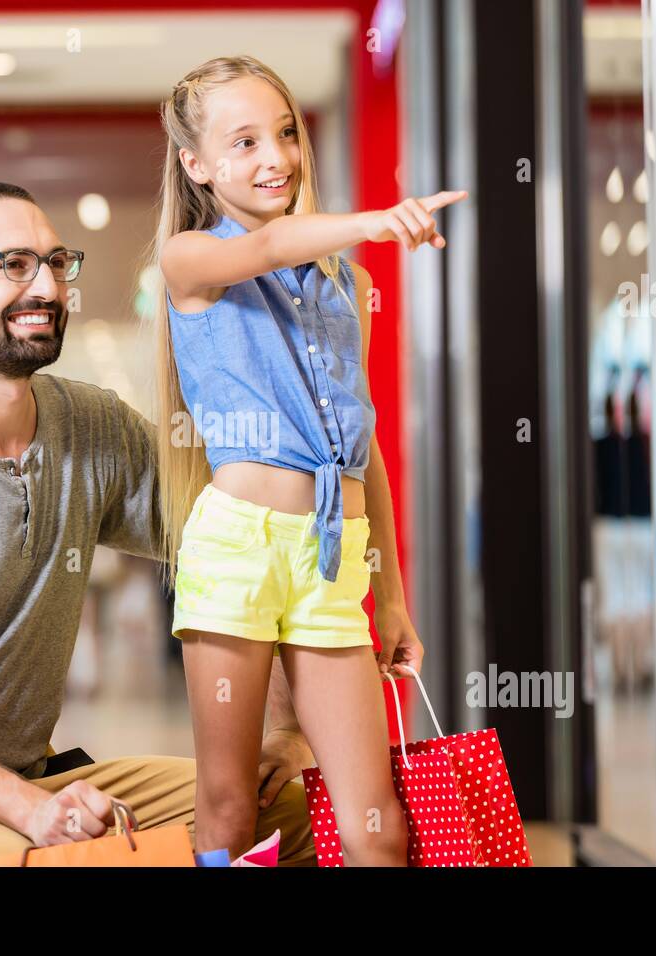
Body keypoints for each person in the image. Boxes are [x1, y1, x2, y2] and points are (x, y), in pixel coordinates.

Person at [0, 180, 318, 866]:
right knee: (30, 863)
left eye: (56, 263)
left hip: (32, 778)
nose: (47, 286)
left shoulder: (92, 425)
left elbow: (232, 547)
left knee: (295, 805)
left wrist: (287, 724)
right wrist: (33, 812)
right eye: (12, 265)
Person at [149, 56, 452, 864]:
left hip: (332, 561)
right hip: (237, 550)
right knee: (227, 807)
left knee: (375, 823)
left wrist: (388, 597)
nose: (275, 157)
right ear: (197, 165)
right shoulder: (187, 260)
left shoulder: (341, 285)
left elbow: (364, 453)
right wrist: (380, 219)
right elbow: (274, 242)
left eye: (284, 133)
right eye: (243, 142)